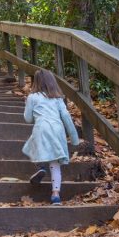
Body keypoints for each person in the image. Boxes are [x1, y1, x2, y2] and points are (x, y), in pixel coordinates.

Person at [23, 70, 81, 205]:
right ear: (52, 82)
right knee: (55, 163)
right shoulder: (58, 99)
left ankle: (41, 167)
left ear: (35, 82)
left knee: (35, 147)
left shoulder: (32, 97)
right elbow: (66, 117)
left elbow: (28, 118)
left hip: (41, 127)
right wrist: (74, 138)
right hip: (57, 129)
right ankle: (55, 195)